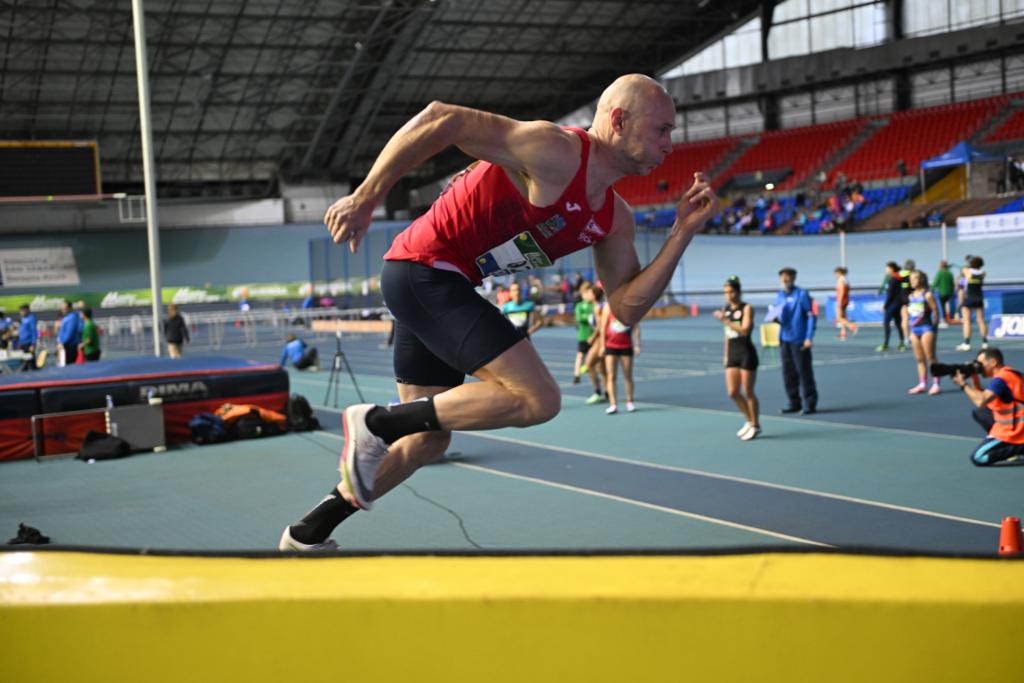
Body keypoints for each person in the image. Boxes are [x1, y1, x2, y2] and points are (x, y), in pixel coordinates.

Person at [279, 73, 718, 551]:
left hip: (436, 281)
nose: (670, 144)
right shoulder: (556, 151)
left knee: (426, 439)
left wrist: (681, 234)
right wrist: (366, 196)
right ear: (618, 121)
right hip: (424, 271)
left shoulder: (614, 219)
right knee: (538, 399)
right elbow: (443, 118)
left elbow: (626, 308)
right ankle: (377, 423)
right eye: (661, 129)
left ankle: (308, 531)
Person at [952, 348, 1024, 466]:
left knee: (978, 457)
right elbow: (984, 399)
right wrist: (974, 377)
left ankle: (1019, 448)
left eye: (980, 363)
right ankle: (1013, 446)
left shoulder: (1001, 379)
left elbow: (980, 401)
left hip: (1017, 430)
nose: (978, 367)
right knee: (980, 412)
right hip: (1015, 424)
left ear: (993, 362)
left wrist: (963, 385)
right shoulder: (1009, 373)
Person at [712, 276, 760, 440]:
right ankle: (749, 420)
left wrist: (725, 320)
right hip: (733, 354)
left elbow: (745, 330)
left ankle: (756, 425)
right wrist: (726, 355)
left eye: (731, 291)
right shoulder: (726, 309)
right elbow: (727, 334)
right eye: (725, 292)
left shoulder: (747, 308)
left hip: (746, 353)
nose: (728, 295)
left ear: (738, 292)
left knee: (748, 392)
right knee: (732, 392)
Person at [769, 267, 818, 415]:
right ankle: (794, 402)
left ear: (793, 278)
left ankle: (809, 403)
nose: (785, 279)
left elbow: (811, 316)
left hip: (799, 340)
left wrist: (808, 337)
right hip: (785, 340)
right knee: (788, 374)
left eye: (788, 276)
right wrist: (775, 319)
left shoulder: (802, 294)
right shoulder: (779, 295)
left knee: (804, 373)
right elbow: (780, 317)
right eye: (782, 277)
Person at [598, 299, 640, 414]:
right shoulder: (607, 308)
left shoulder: (629, 308)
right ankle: (613, 404)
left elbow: (636, 327)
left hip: (626, 346)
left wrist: (637, 345)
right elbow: (603, 328)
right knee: (611, 375)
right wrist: (602, 346)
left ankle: (630, 401)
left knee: (628, 375)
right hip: (611, 346)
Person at [905, 271, 941, 396]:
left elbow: (936, 311)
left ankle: (936, 384)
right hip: (914, 330)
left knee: (930, 357)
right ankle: (922, 384)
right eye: (910, 279)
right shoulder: (910, 296)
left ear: (921, 280)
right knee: (919, 359)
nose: (912, 281)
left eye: (914, 279)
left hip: (926, 328)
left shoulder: (928, 295)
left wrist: (935, 328)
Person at [956, 256, 987, 352]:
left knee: (966, 321)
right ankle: (985, 343)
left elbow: (962, 272)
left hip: (969, 298)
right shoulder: (983, 273)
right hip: (979, 298)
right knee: (981, 320)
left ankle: (966, 344)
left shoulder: (967, 271)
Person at [572, 281, 599, 388]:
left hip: (593, 336)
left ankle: (593, 373)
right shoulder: (579, 305)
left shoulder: (594, 305)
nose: (586, 295)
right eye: (584, 293)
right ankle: (576, 375)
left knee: (594, 358)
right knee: (580, 355)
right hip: (583, 335)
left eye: (588, 293)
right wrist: (589, 317)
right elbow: (579, 318)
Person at [877, 261, 906, 352]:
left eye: (887, 268)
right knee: (898, 324)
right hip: (898, 304)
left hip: (892, 305)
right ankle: (902, 343)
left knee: (886, 323)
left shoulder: (892, 279)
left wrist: (885, 306)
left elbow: (890, 295)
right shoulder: (898, 277)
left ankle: (886, 344)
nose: (885, 269)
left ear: (891, 269)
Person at [833, 266, 857, 340]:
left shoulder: (841, 280)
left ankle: (852, 326)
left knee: (839, 317)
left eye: (836, 273)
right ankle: (843, 334)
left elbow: (842, 291)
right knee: (843, 317)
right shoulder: (845, 280)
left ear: (839, 273)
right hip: (845, 300)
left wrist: (839, 302)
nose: (835, 275)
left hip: (842, 301)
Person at [56, 299, 82, 367]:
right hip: (65, 346)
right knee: (63, 365)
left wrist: (62, 343)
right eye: (62, 308)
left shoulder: (72, 317)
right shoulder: (67, 317)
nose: (63, 310)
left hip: (70, 346)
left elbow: (70, 333)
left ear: (70, 308)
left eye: (65, 308)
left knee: (69, 366)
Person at [933, 260, 955, 329]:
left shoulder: (939, 273)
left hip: (942, 293)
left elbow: (935, 283)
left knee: (941, 306)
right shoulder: (950, 273)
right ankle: (950, 318)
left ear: (941, 266)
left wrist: (930, 290)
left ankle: (942, 319)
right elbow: (952, 284)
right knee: (949, 305)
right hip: (950, 293)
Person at [16, 304, 38, 371]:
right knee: (23, 363)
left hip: (29, 343)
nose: (21, 312)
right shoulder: (22, 318)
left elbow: (34, 332)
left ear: (26, 310)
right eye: (20, 311)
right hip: (22, 343)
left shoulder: (31, 318)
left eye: (22, 311)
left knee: (31, 363)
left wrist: (33, 344)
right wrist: (19, 342)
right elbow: (21, 331)